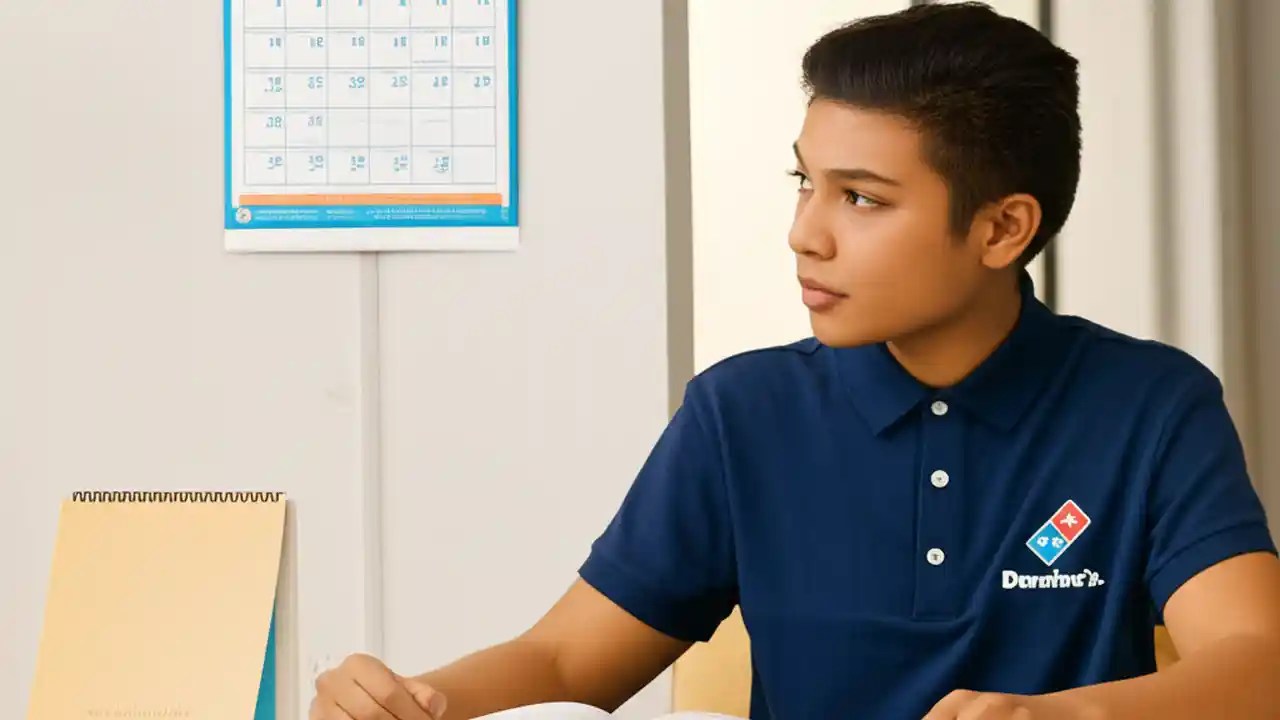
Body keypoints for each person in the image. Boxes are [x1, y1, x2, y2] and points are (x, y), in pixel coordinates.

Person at [309, 4, 1280, 718]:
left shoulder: (1150, 406)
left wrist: (1063, 715)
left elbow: (1253, 660)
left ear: (999, 228)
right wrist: (415, 700)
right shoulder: (741, 412)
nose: (802, 235)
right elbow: (569, 662)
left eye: (859, 198)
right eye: (803, 182)